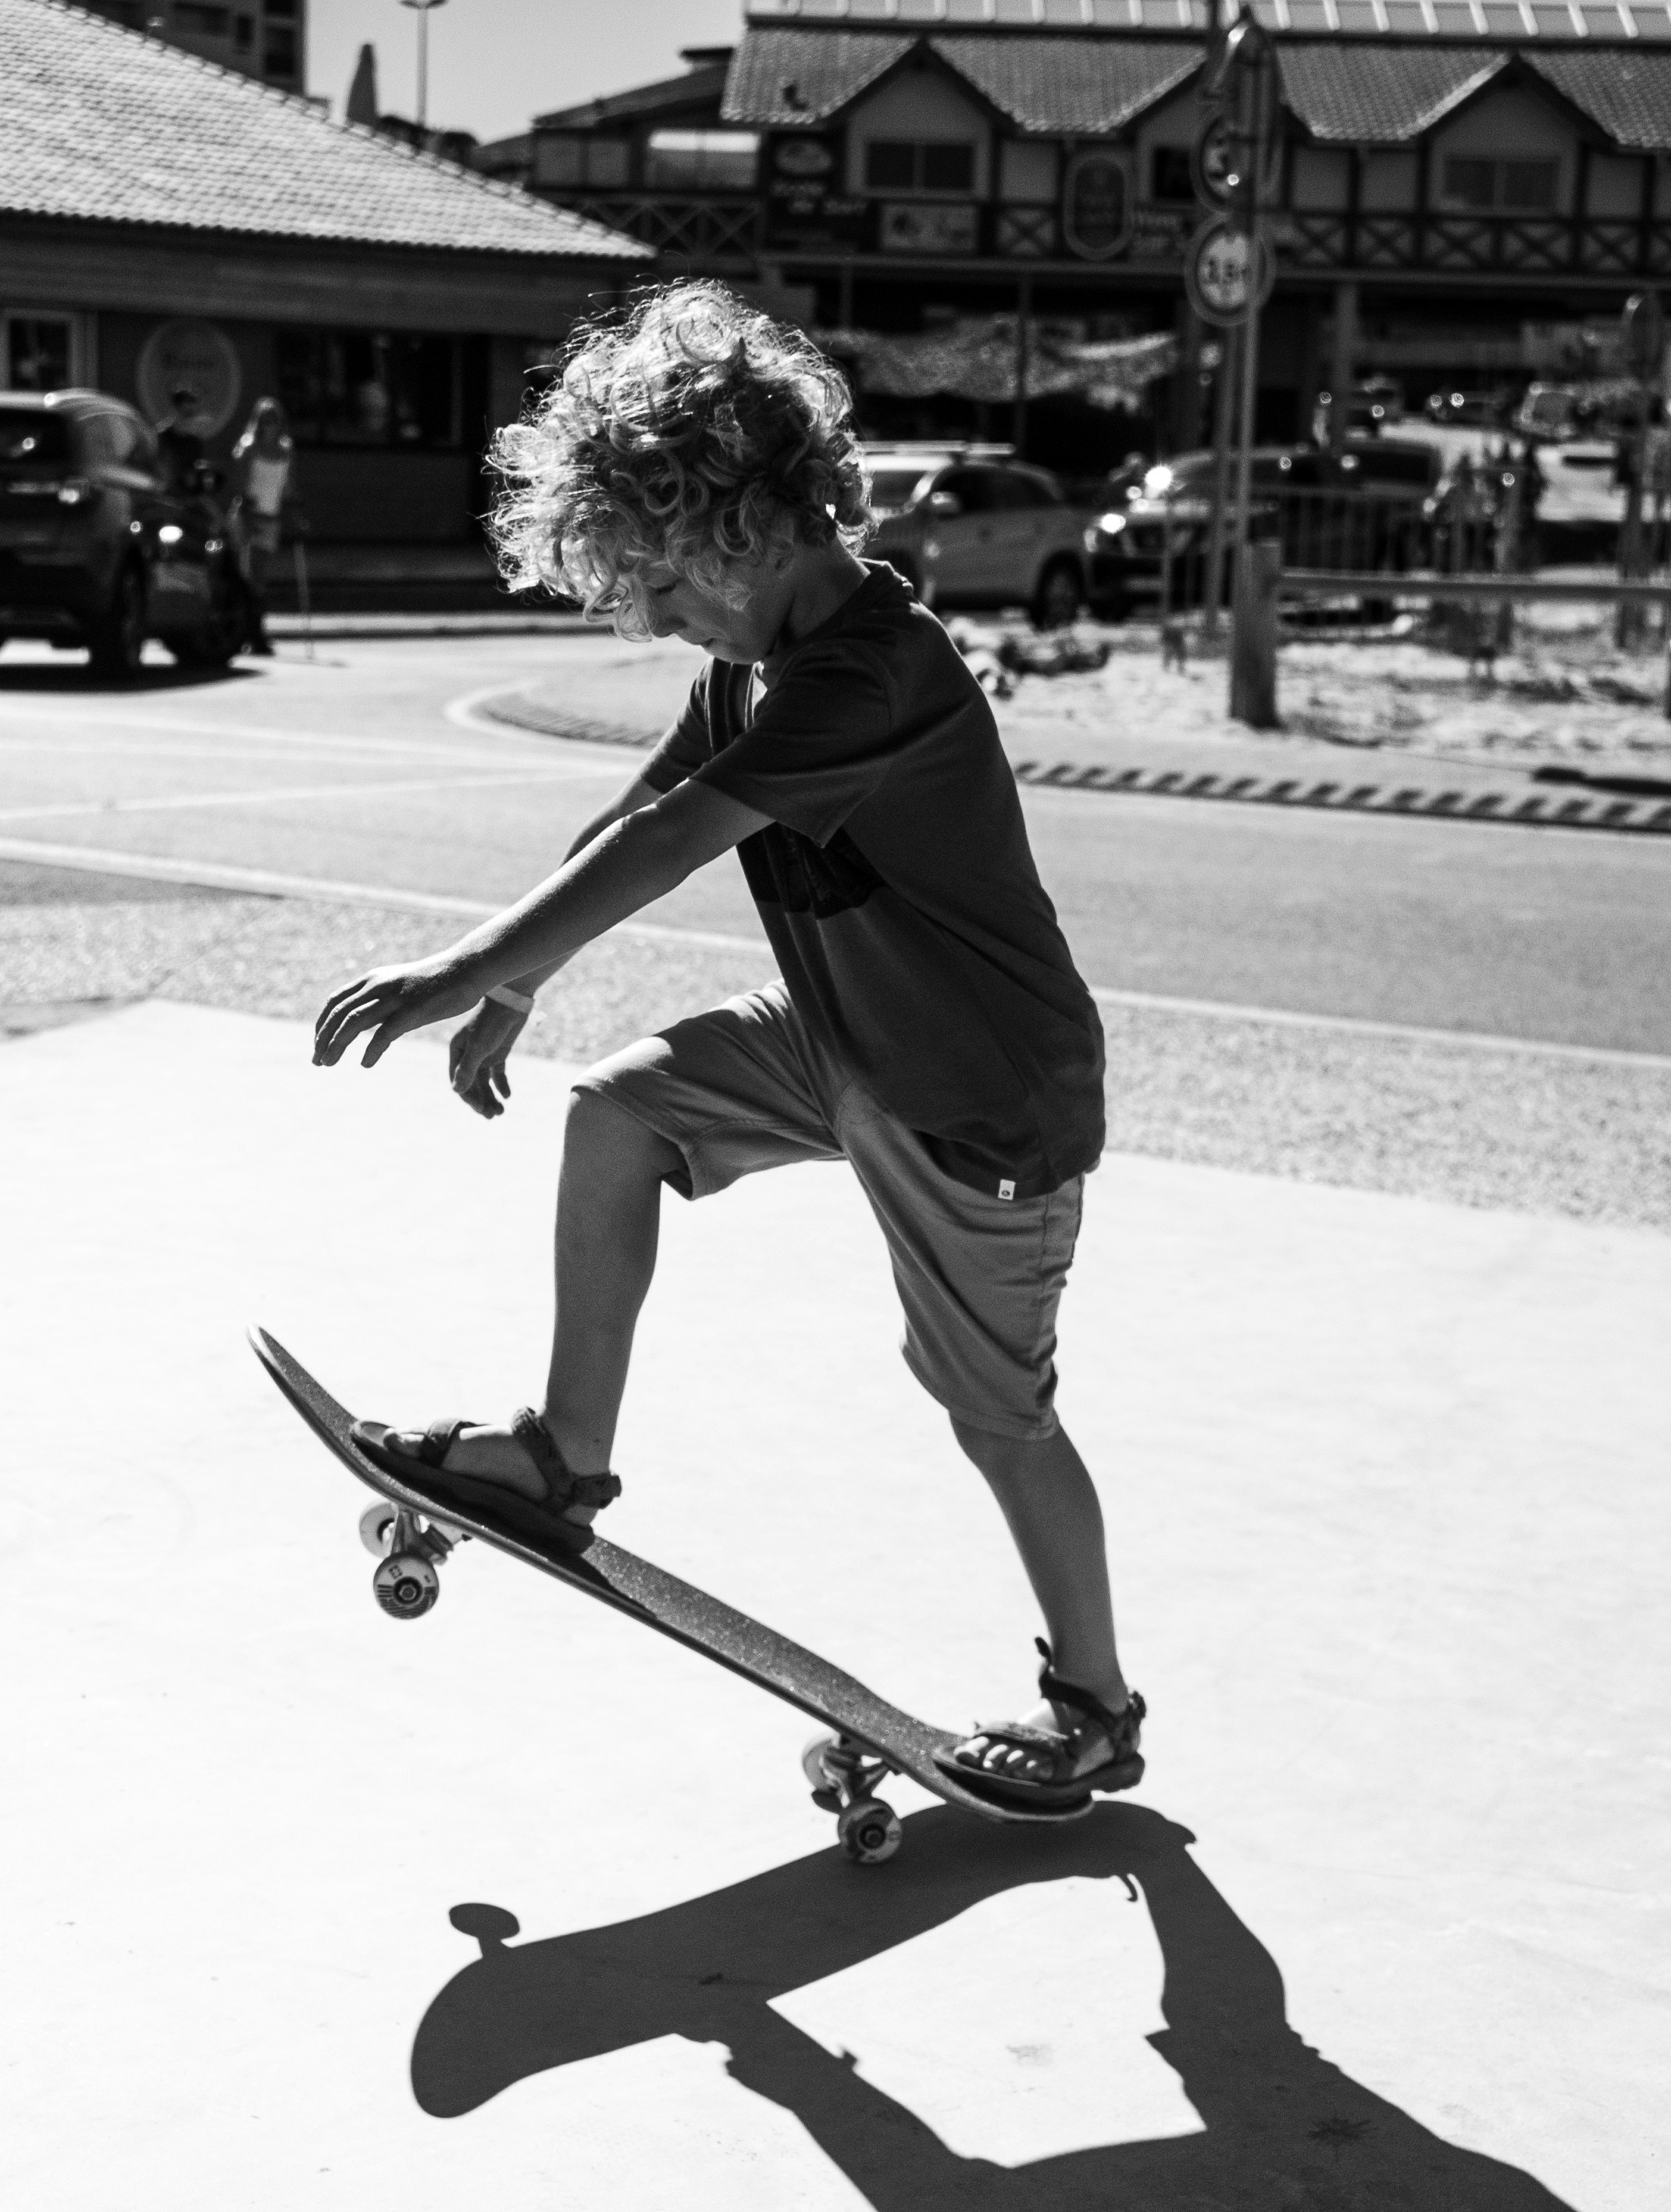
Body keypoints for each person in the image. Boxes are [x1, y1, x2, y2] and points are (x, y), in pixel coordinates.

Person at [306, 281, 1144, 1806]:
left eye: (666, 589)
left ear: (745, 526)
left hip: (979, 1102)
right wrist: (523, 980)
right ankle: (565, 1460)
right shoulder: (752, 664)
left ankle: (1093, 1704)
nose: (659, 623)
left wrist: (475, 960)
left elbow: (688, 838)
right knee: (618, 1113)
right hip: (847, 1044)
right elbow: (633, 808)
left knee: (992, 1409)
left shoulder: (869, 670)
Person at [231, 396, 295, 655]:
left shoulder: (285, 448)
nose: (270, 425)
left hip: (271, 517)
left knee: (260, 577)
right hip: (249, 515)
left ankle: (255, 630)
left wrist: (296, 510)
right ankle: (248, 632)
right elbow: (238, 485)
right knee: (247, 575)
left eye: (274, 419)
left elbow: (287, 485)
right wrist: (246, 513)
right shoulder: (249, 447)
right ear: (257, 422)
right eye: (265, 419)